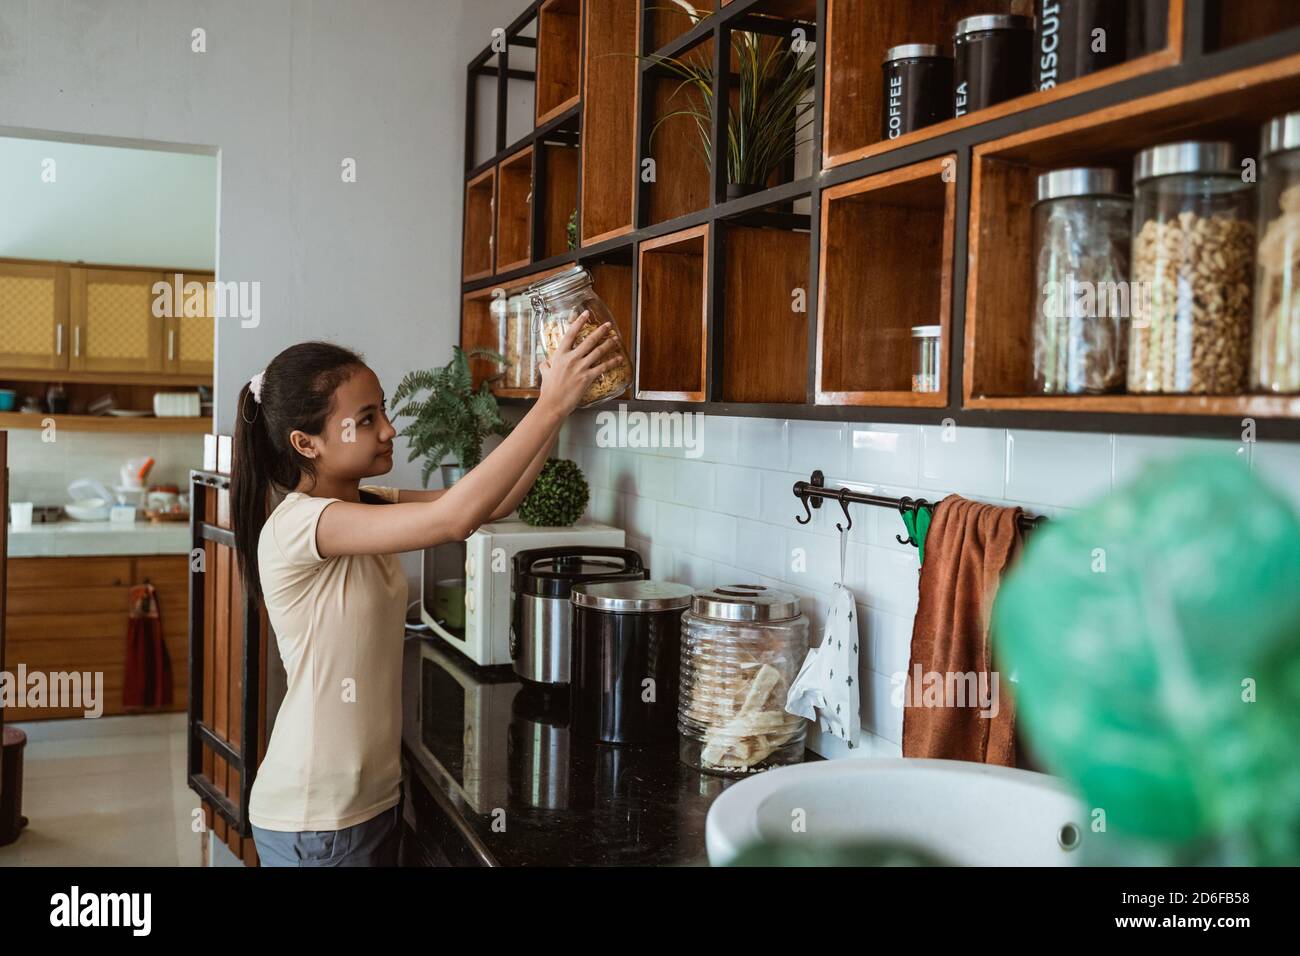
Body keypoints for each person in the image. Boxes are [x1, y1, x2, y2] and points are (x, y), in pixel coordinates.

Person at [230, 317, 618, 866]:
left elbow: (490, 504)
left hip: (368, 802)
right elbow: (454, 520)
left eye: (383, 409)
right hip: (318, 816)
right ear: (306, 443)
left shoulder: (365, 502)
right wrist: (548, 406)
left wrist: (559, 405)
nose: (389, 429)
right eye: (366, 420)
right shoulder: (302, 524)